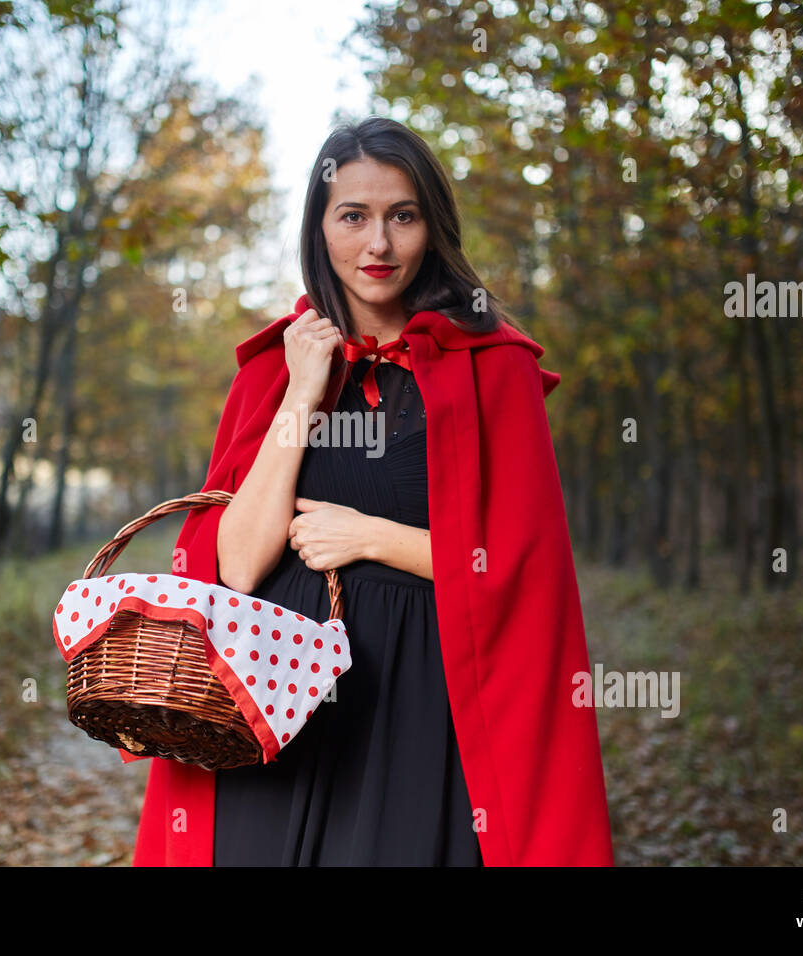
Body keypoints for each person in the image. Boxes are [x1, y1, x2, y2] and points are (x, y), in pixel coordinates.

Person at [127, 116, 614, 866]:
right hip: (275, 707)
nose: (377, 244)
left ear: (433, 227)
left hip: (419, 706)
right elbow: (235, 567)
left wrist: (373, 538)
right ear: (319, 228)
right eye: (352, 216)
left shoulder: (493, 368)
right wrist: (300, 394)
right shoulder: (269, 371)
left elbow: (525, 567)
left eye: (402, 216)